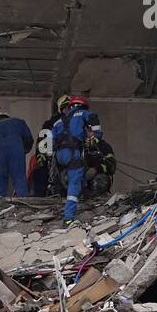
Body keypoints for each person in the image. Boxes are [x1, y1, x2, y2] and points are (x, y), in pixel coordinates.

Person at [51, 95, 103, 224]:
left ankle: (74, 195)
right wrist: (96, 136)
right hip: (72, 152)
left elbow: (53, 139)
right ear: (82, 106)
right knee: (75, 183)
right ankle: (68, 218)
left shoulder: (58, 121)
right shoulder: (82, 113)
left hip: (59, 155)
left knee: (72, 175)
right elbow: (93, 117)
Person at [0, 113, 34, 197]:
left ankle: (0, 204)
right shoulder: (18, 122)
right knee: (19, 179)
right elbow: (29, 139)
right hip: (16, 150)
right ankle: (23, 203)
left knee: (1, 179)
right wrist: (24, 150)